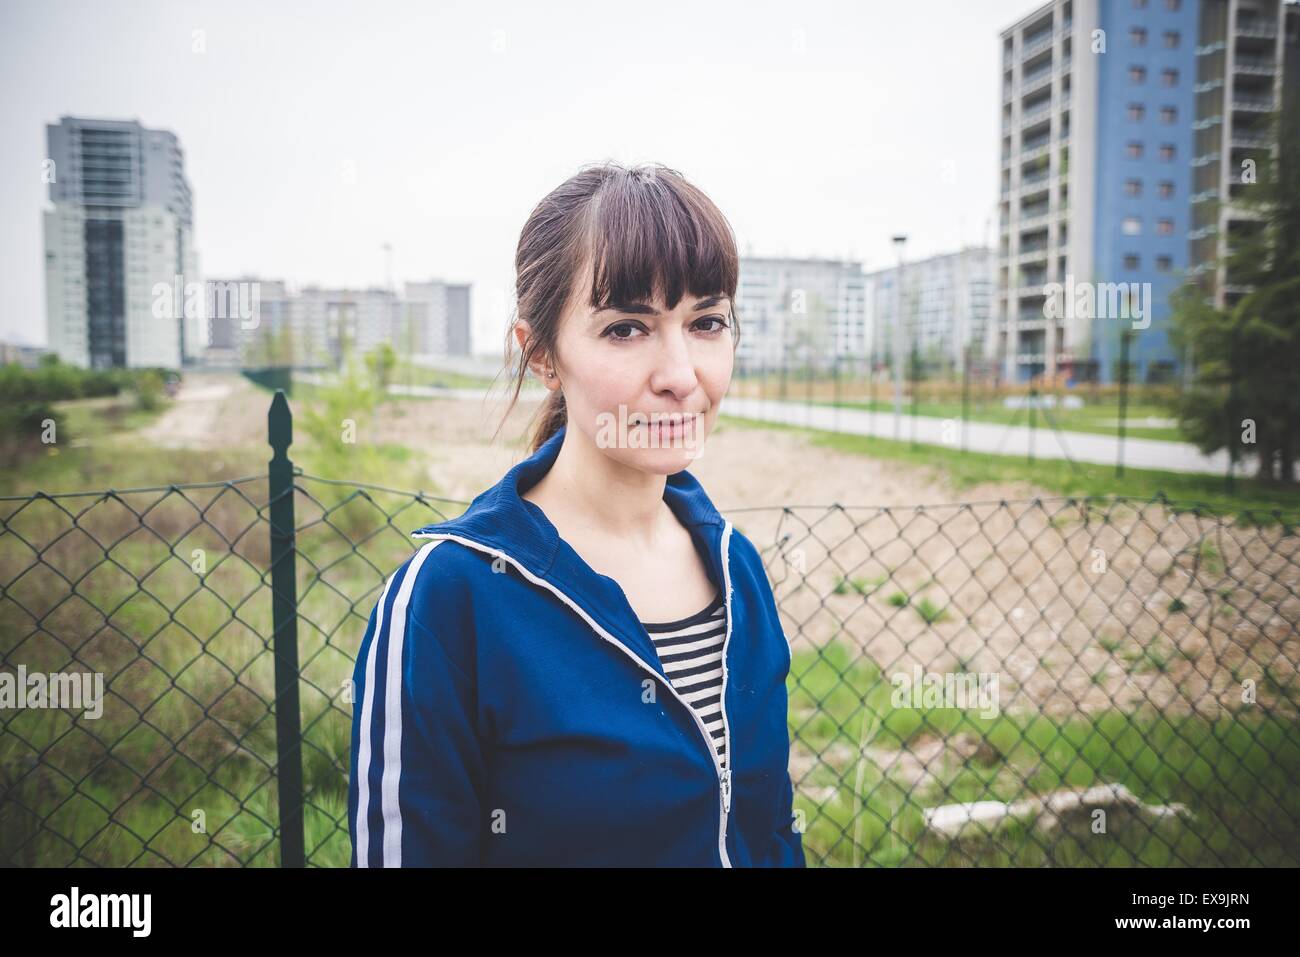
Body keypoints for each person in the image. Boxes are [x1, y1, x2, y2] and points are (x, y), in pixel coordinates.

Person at [348, 161, 804, 867]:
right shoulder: (448, 599)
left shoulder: (735, 566)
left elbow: (771, 830)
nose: (682, 375)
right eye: (627, 329)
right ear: (540, 356)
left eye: (707, 322)